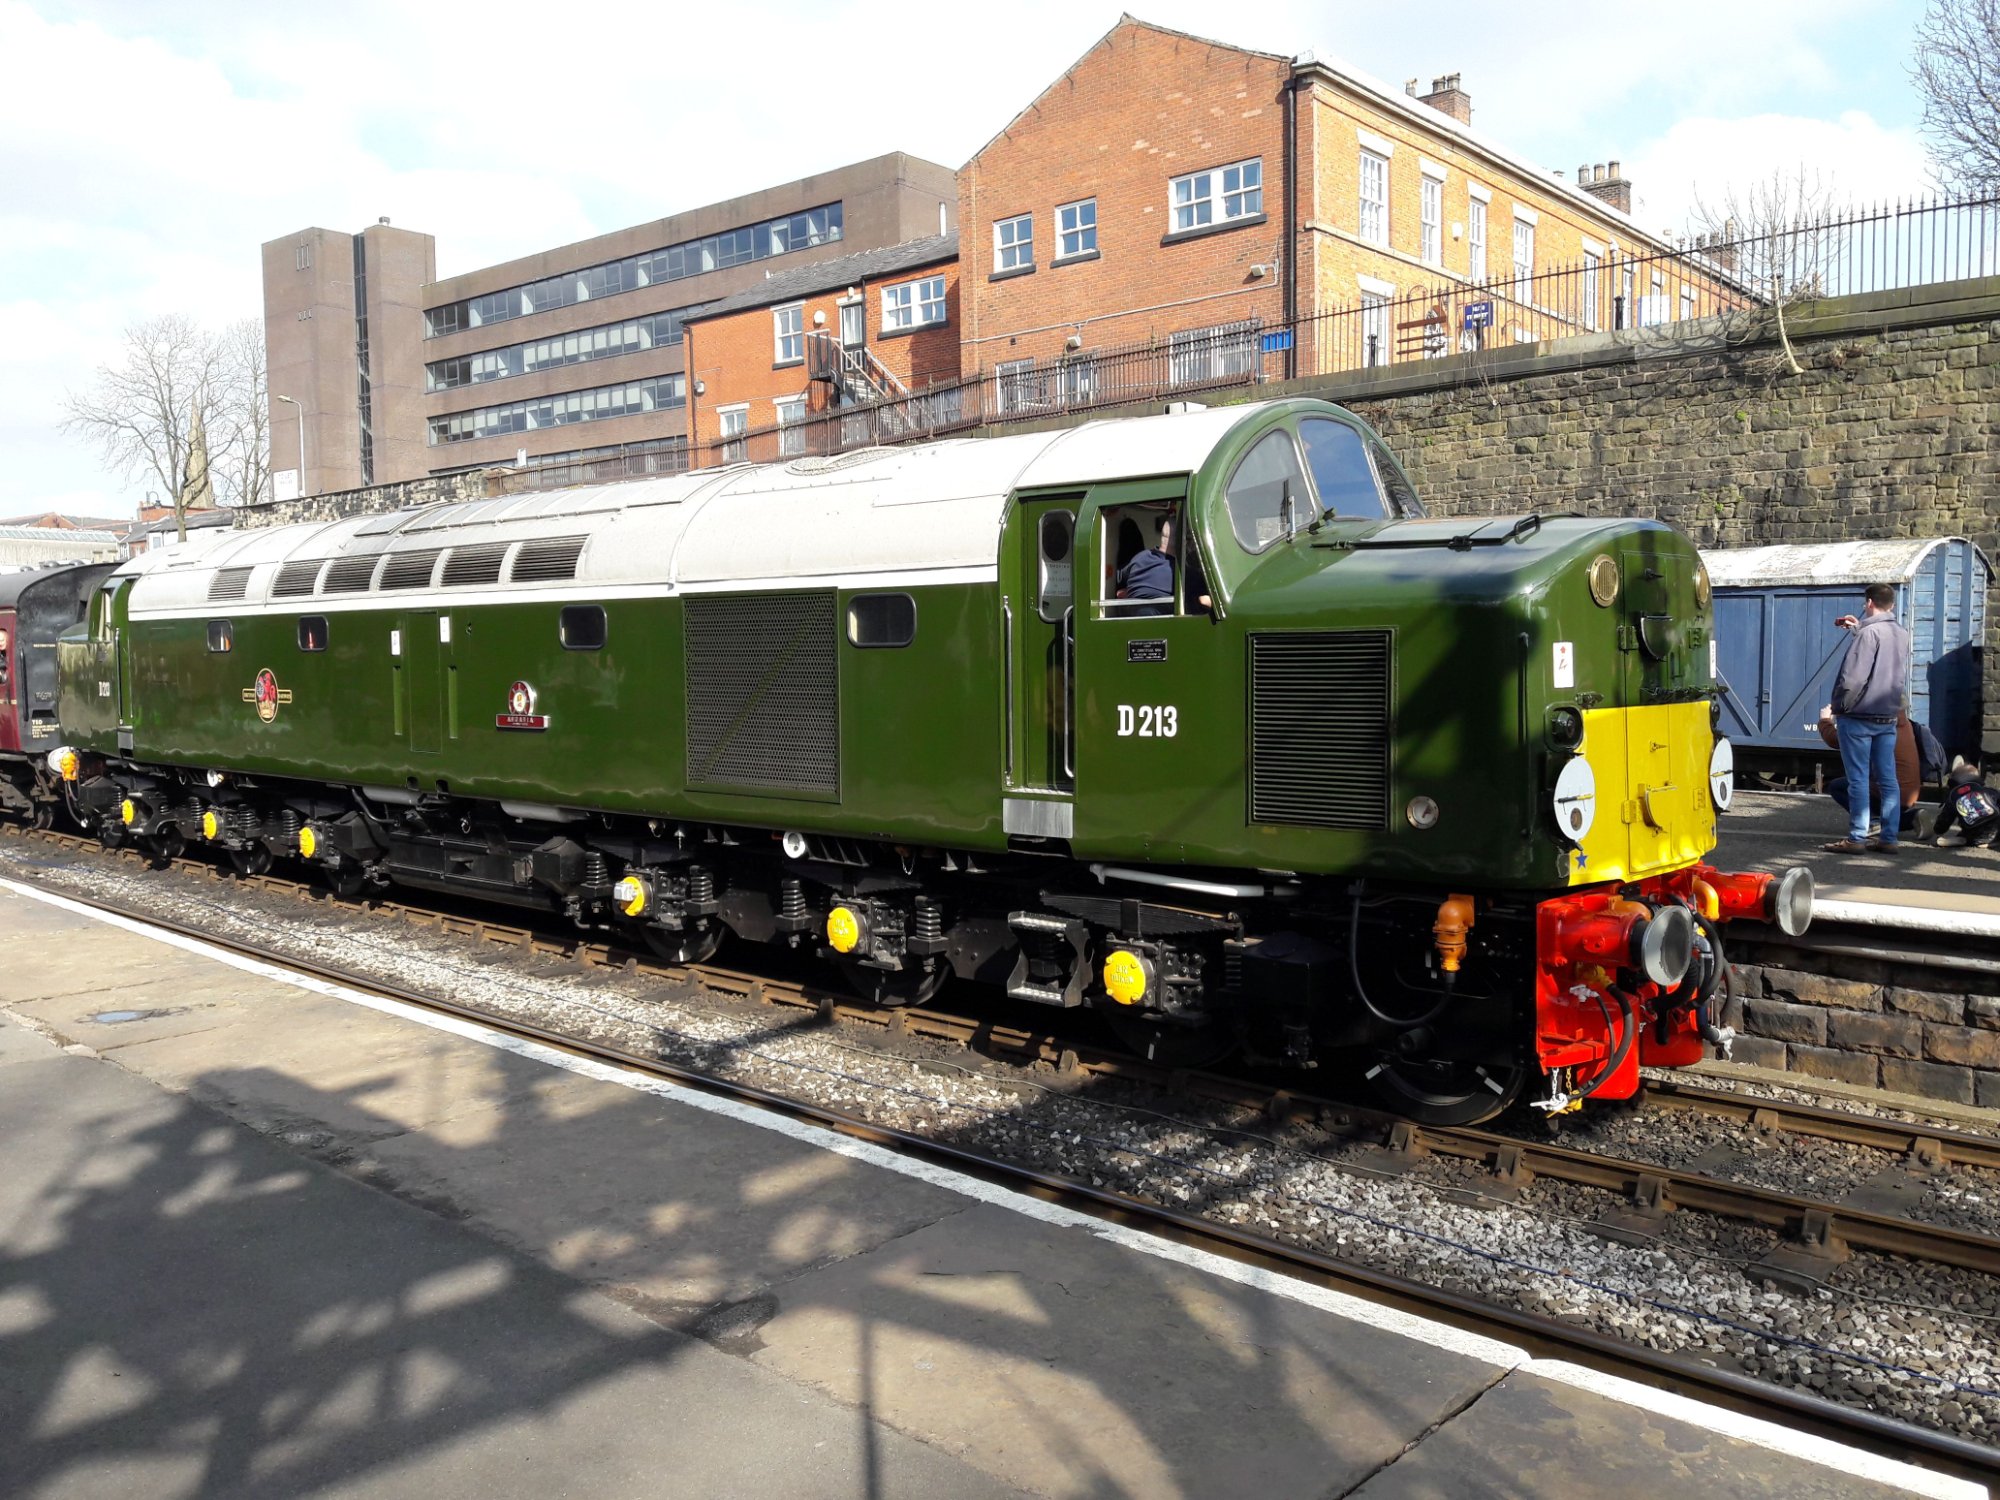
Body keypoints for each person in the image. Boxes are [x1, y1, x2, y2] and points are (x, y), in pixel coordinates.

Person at [1823, 583, 1913, 854]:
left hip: (1859, 716)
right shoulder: (1901, 633)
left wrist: (1840, 707)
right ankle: (1889, 838)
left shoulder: (1868, 633)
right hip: (1887, 716)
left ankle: (1856, 838)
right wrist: (1858, 628)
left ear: (1869, 603)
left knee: (1858, 778)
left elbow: (1853, 677)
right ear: (1892, 605)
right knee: (1888, 779)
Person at [1816, 704, 1923, 839]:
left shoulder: (1874, 720)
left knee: (1839, 787)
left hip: (1890, 793)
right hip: (1910, 793)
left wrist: (1825, 720)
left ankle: (1874, 821)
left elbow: (1840, 739)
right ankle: (1912, 817)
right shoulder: (1903, 722)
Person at [1115, 514, 1178, 616]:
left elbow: (1119, 578)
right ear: (1185, 540)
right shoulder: (1182, 572)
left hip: (1133, 625)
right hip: (1163, 629)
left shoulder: (1139, 558)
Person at [1935, 760, 2000, 849]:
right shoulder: (1988, 792)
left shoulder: (1953, 798)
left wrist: (1938, 829)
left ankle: (1966, 839)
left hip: (1973, 834)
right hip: (1996, 831)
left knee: (1968, 829)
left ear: (1952, 783)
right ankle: (1992, 841)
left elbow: (1945, 819)